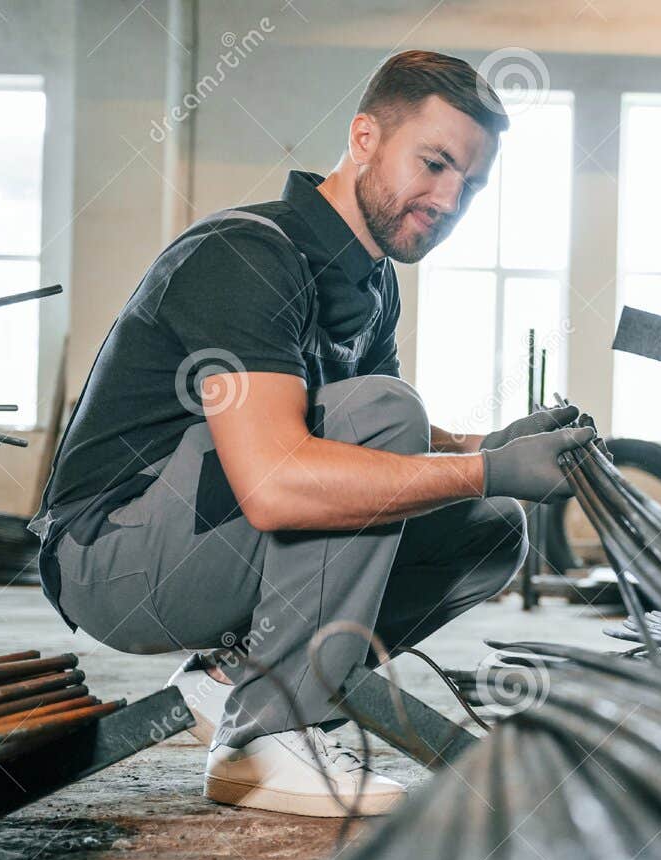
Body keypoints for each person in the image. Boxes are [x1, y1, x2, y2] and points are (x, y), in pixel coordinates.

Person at [30, 50, 595, 816]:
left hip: (202, 542)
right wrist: (487, 467)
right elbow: (275, 483)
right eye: (434, 163)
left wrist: (485, 448)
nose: (450, 197)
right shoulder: (247, 255)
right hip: (112, 558)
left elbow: (364, 430)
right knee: (392, 419)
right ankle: (267, 736)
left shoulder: (373, 284)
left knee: (490, 531)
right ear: (365, 137)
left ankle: (231, 677)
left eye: (472, 182)